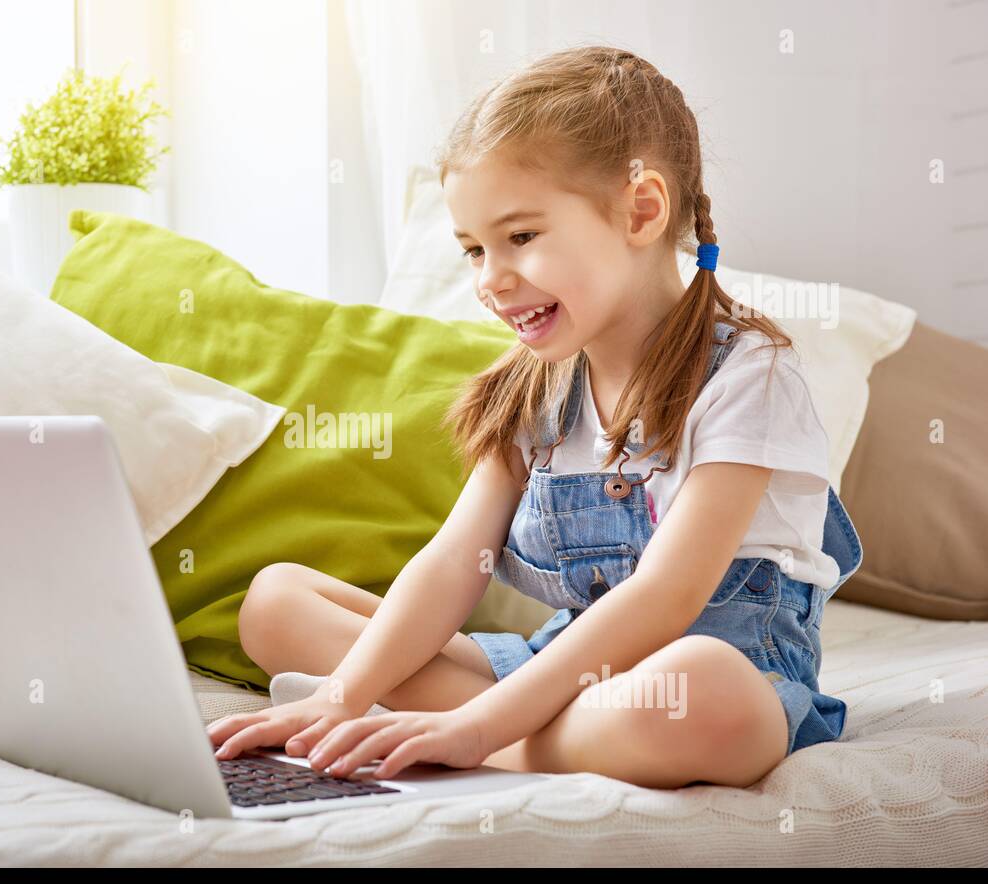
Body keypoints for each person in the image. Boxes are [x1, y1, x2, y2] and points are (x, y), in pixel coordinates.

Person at [206, 46, 862, 790]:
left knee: (704, 690)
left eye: (520, 237)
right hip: (567, 666)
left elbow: (666, 598)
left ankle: (493, 734)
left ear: (642, 210)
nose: (490, 279)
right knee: (276, 603)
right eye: (473, 249)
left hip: (708, 674)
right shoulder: (534, 392)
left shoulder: (750, 374)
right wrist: (337, 696)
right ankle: (528, 727)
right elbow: (455, 561)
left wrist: (481, 724)